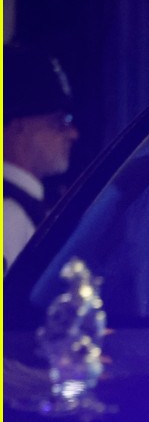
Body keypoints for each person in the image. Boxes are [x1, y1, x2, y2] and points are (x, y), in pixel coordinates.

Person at [4, 44, 80, 272]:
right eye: (58, 122)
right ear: (17, 126)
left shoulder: (28, 207)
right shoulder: (9, 216)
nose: (72, 134)